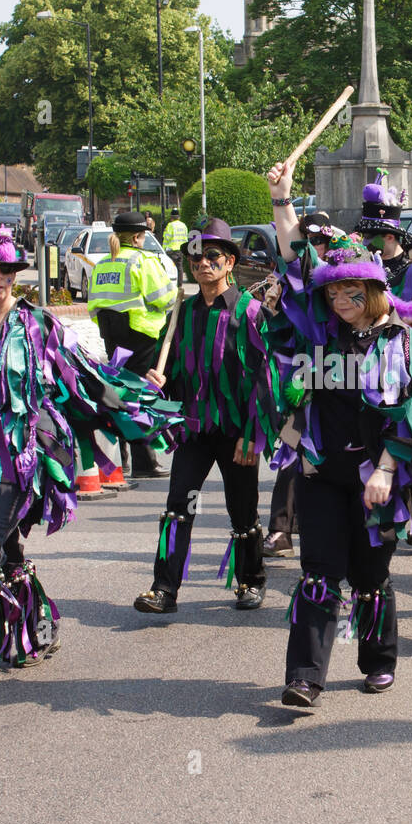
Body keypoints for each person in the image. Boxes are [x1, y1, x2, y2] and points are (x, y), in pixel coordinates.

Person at [0, 228, 177, 685]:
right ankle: (36, 630)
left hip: (18, 461)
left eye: (8, 271)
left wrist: (138, 397)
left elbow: (87, 378)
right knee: (5, 551)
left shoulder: (37, 325)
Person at [267, 161, 412, 707]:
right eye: (333, 295)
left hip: (378, 479)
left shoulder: (403, 345)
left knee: (371, 575)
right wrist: (283, 201)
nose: (339, 302)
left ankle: (378, 659)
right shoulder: (321, 332)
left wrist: (386, 469)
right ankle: (304, 676)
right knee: (319, 573)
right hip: (323, 472)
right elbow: (295, 263)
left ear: (373, 291)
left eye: (351, 293)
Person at [133, 216, 282, 616]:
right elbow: (176, 376)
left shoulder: (250, 313)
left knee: (242, 511)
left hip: (237, 433)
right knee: (179, 506)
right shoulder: (182, 314)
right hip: (195, 432)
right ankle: (164, 588)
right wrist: (160, 384)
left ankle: (251, 580)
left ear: (230, 262)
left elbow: (264, 382)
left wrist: (253, 435)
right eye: (196, 256)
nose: (203, 263)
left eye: (213, 256)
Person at [263, 210, 337, 559]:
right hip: (299, 371)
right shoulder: (287, 277)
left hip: (340, 375)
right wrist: (272, 307)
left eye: (319, 240)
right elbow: (276, 332)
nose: (313, 247)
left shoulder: (340, 275)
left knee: (332, 456)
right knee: (292, 447)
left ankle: (324, 532)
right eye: (308, 240)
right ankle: (280, 530)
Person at [87, 210, 177, 478]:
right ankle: (144, 461)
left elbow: (94, 305)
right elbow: (164, 298)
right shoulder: (142, 261)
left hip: (112, 337)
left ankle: (123, 459)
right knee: (138, 395)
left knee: (120, 392)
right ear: (139, 237)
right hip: (142, 334)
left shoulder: (102, 264)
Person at [356, 173, 412, 299]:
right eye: (363, 236)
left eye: (369, 236)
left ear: (389, 237)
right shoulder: (362, 264)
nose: (364, 242)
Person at [162, 208, 189, 279]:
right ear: (179, 217)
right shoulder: (183, 225)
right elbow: (186, 237)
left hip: (171, 249)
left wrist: (165, 232)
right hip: (181, 249)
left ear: (171, 217)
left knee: (170, 268)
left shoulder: (170, 225)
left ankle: (172, 284)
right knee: (179, 267)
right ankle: (179, 285)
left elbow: (167, 237)